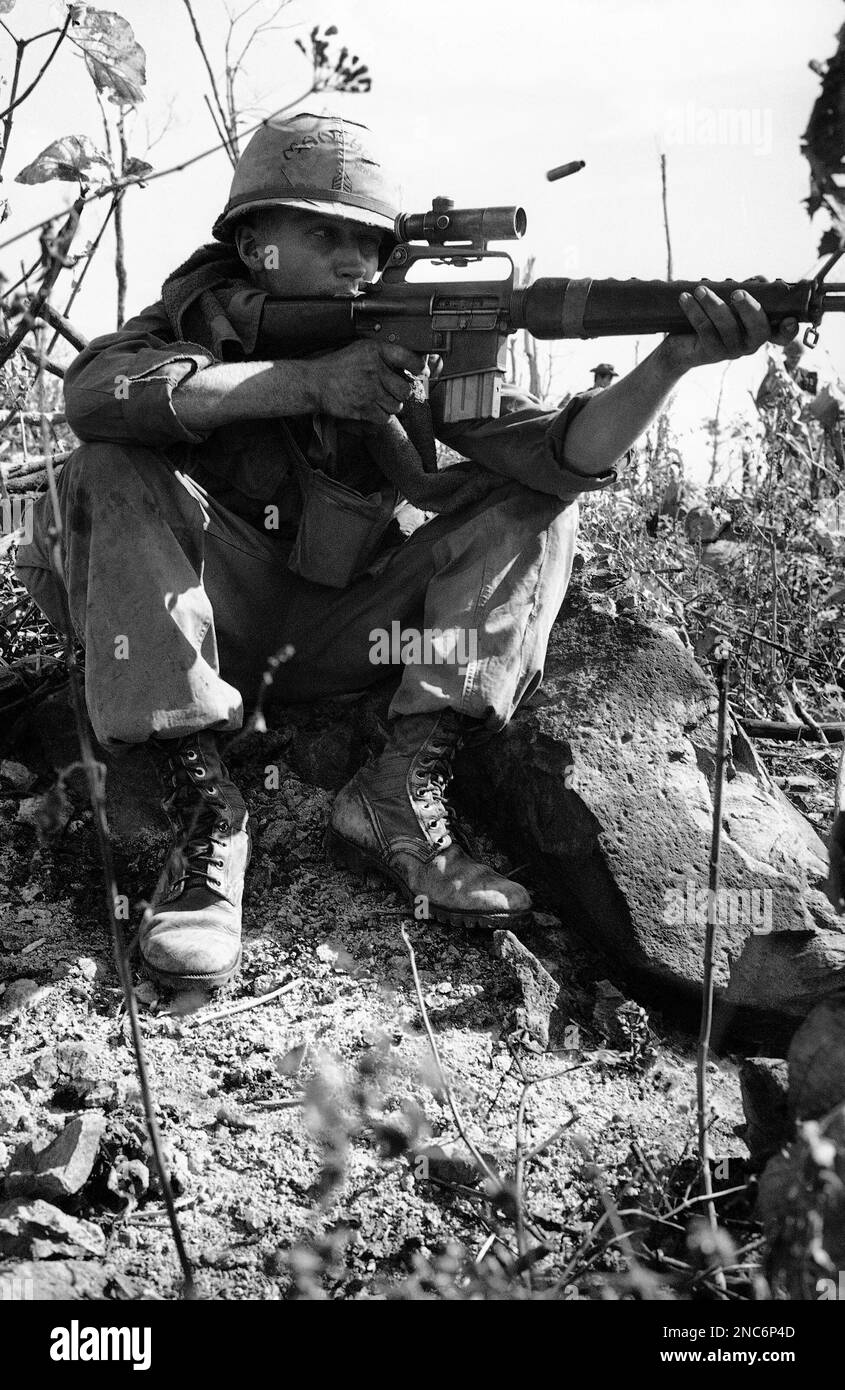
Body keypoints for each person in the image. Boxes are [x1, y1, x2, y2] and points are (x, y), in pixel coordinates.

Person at [15, 112, 799, 992]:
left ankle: (392, 791)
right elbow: (97, 399)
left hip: (349, 633)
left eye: (370, 242)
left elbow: (560, 456)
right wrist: (304, 383)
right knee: (107, 463)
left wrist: (670, 362)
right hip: (201, 635)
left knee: (538, 500)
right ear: (250, 240)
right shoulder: (177, 323)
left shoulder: (411, 339)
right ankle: (196, 810)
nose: (355, 260)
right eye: (324, 234)